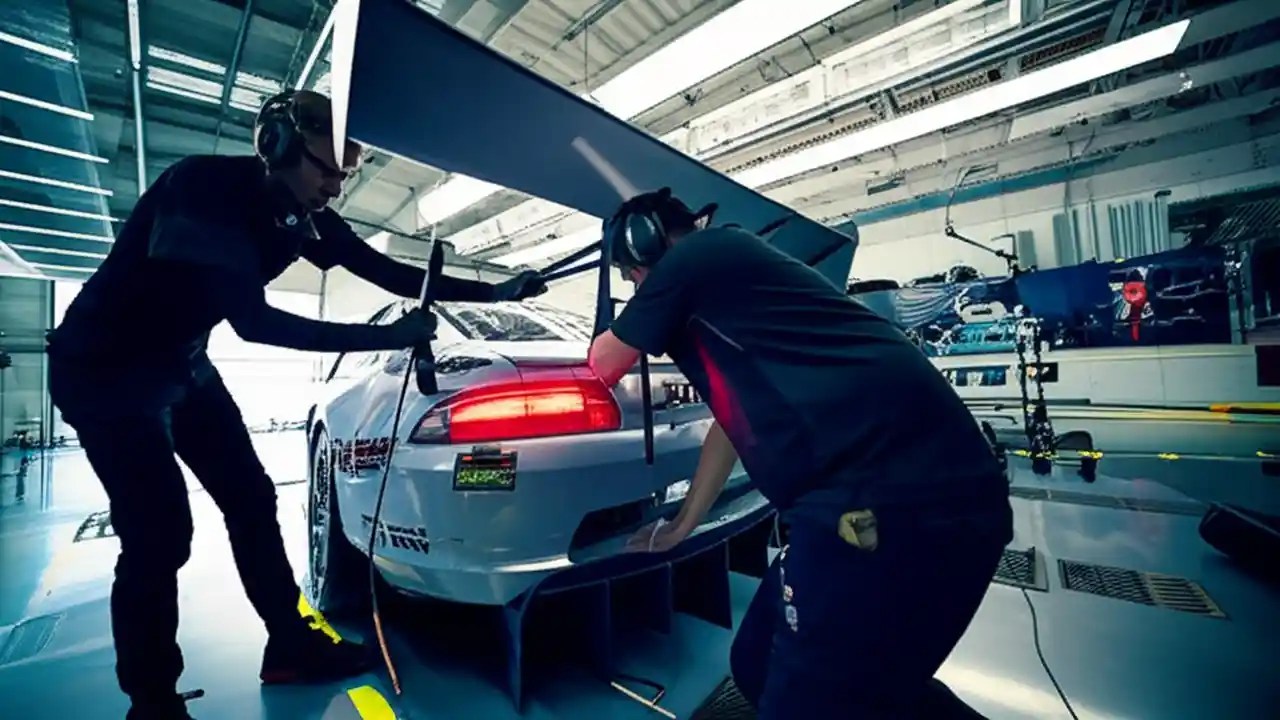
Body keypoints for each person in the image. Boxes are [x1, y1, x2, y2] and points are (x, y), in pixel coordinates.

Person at [45, 89, 546, 720]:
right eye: (324, 169)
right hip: (105, 371)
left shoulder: (300, 215)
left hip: (181, 363)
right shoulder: (203, 188)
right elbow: (254, 324)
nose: (334, 187)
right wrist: (387, 337)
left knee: (252, 498)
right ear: (277, 145)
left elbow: (384, 271)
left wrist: (495, 293)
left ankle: (289, 643)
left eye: (343, 174)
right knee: (159, 532)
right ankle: (151, 701)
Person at [589, 188, 1012, 718]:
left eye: (632, 273)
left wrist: (620, 309)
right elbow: (730, 420)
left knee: (811, 701)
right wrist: (683, 523)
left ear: (649, 243)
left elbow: (603, 361)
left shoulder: (698, 256)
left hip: (896, 506)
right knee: (757, 664)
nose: (637, 285)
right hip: (867, 504)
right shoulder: (729, 285)